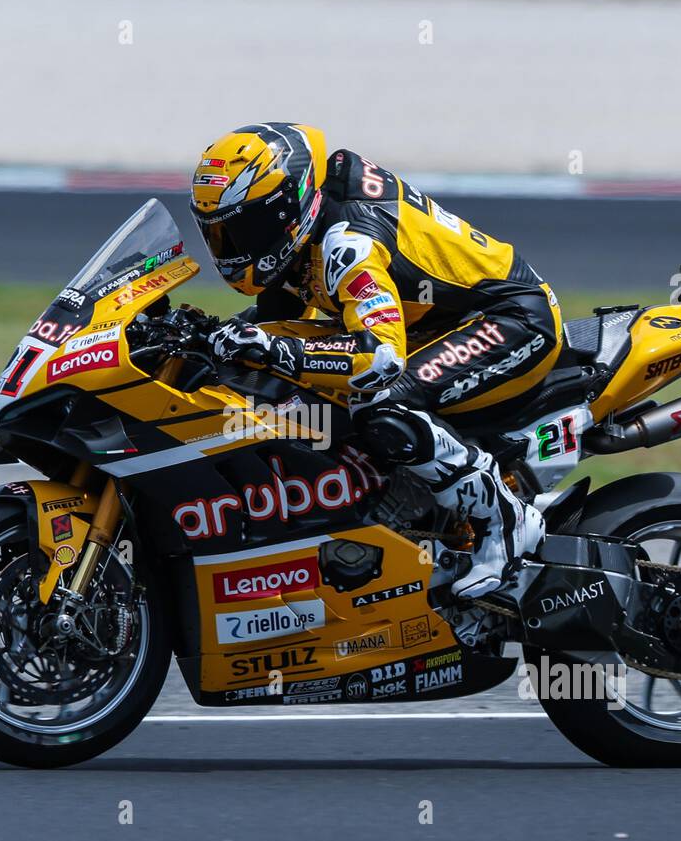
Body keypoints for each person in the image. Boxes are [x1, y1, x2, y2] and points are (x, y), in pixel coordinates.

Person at [192, 123, 560, 600]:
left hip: (510, 320)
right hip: (434, 322)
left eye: (239, 231)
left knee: (382, 402)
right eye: (218, 235)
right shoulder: (307, 228)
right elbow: (274, 324)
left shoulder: (350, 244)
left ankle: (504, 520)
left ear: (285, 208)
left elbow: (380, 358)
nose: (230, 248)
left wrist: (275, 349)